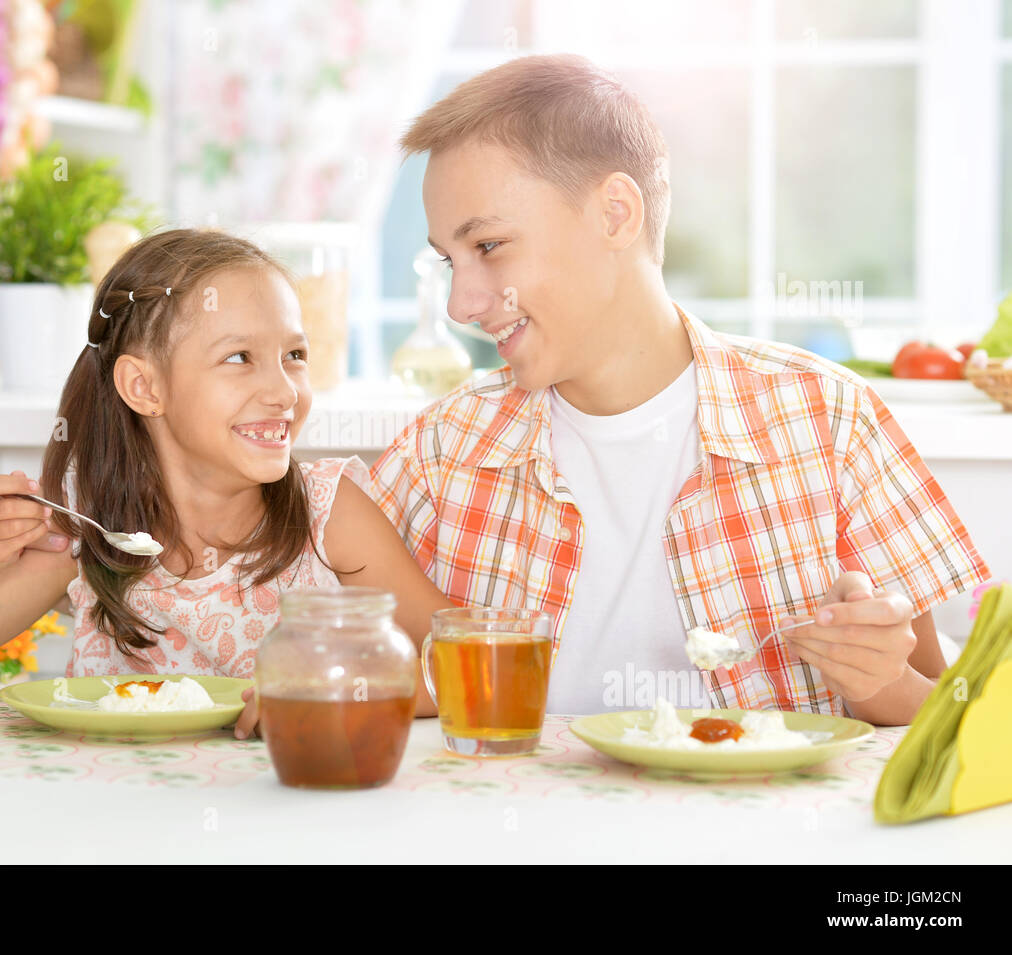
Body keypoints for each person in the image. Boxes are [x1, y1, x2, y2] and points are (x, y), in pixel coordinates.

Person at [369, 53, 989, 723]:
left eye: (487, 246)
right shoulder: (441, 452)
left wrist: (880, 681)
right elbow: (345, 664)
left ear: (615, 214)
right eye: (447, 261)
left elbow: (953, 717)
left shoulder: (828, 421)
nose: (462, 303)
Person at [0, 228, 450, 738]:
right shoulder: (87, 528)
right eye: (239, 358)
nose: (283, 391)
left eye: (294, 356)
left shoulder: (328, 512)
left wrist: (339, 692)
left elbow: (465, 659)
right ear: (144, 386)